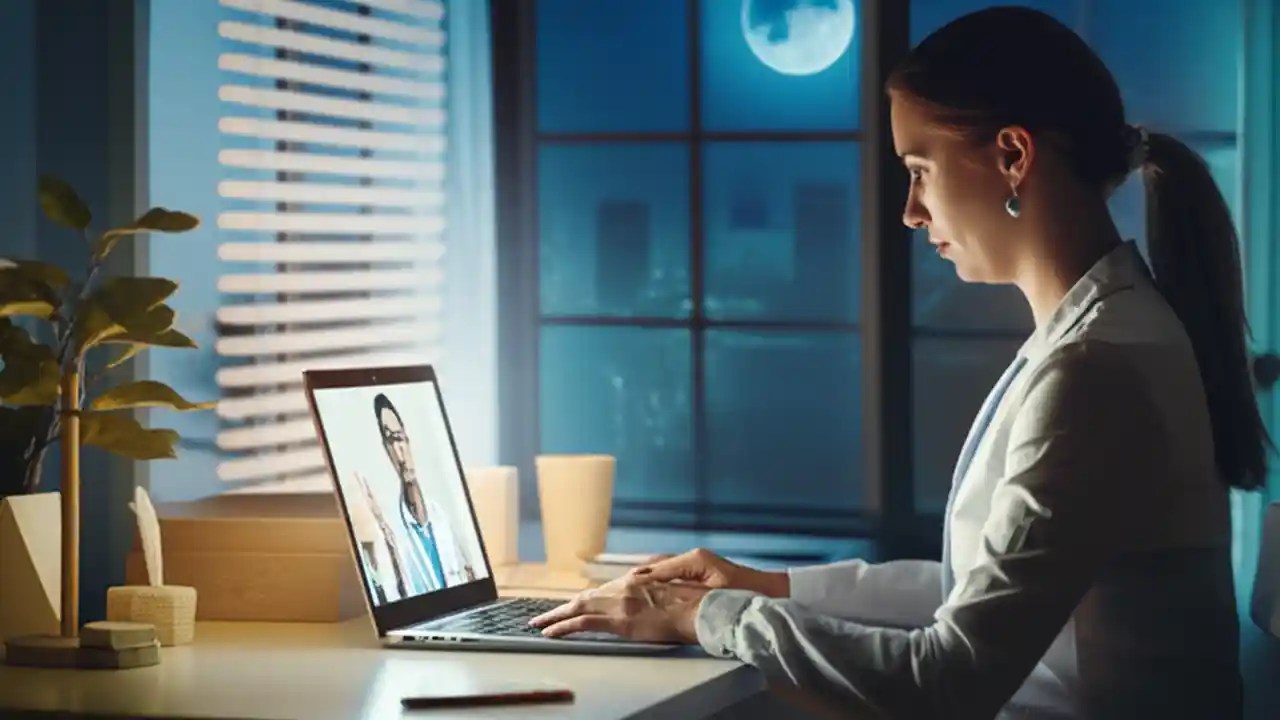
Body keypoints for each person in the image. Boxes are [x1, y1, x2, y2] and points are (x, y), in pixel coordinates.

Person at [530, 7, 1270, 719]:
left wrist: (712, 617)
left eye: (920, 169)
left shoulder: (1093, 369)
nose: (911, 211)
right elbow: (977, 591)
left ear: (1013, 157)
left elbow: (945, 682)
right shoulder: (1101, 332)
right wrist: (767, 586)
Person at [374, 392, 477, 592]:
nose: (399, 451)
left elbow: (469, 575)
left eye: (400, 438)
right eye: (390, 441)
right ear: (386, 451)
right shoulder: (390, 536)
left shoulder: (440, 516)